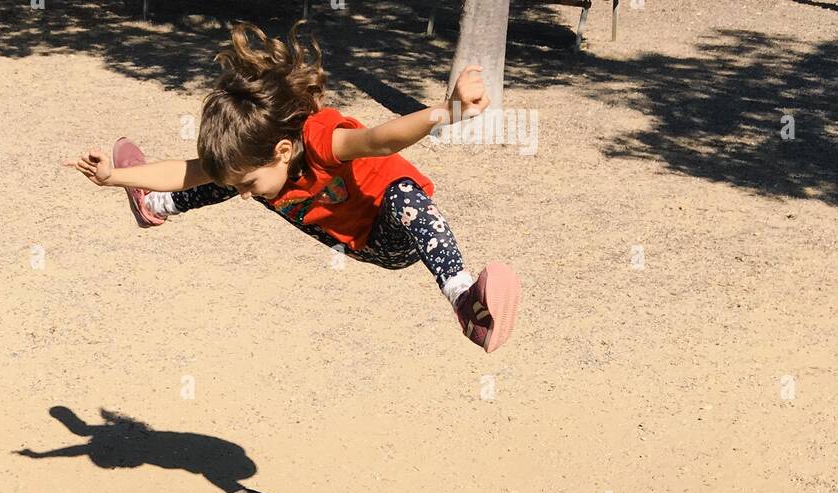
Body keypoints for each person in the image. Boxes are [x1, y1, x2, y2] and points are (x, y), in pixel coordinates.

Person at [66, 21, 519, 353]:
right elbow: (190, 170)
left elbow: (380, 139)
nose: (245, 193)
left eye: (252, 181)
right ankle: (156, 206)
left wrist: (448, 112)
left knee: (404, 195)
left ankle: (463, 300)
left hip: (394, 236)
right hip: (343, 237)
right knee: (232, 175)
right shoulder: (261, 161)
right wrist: (114, 178)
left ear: (285, 149)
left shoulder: (322, 139)